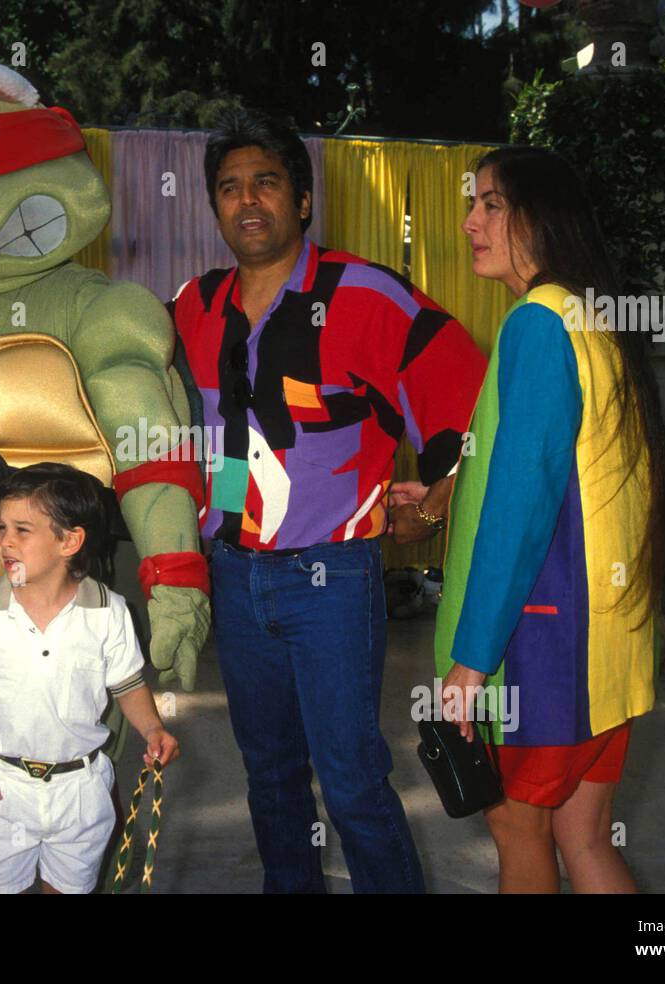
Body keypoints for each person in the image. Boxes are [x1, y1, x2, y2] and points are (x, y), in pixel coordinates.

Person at [168, 109, 487, 893]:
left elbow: (470, 406)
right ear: (214, 207)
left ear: (303, 201)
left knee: (350, 781)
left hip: (331, 579)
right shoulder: (192, 308)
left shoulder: (364, 296)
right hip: (235, 575)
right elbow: (185, 429)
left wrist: (435, 505)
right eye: (230, 188)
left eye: (267, 184)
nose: (248, 202)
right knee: (270, 775)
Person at [436, 145, 665, 893]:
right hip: (608, 652)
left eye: (492, 204)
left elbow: (523, 503)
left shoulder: (537, 324)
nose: (471, 221)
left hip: (542, 651)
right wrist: (447, 491)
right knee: (587, 841)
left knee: (517, 832)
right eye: (472, 203)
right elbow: (576, 473)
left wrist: (472, 660)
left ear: (542, 216)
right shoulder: (594, 318)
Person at [0, 463, 180, 894]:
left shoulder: (109, 611)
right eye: (1, 528)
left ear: (70, 541)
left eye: (22, 530)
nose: (5, 543)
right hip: (1, 784)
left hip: (80, 788)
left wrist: (153, 728)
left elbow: (127, 684)